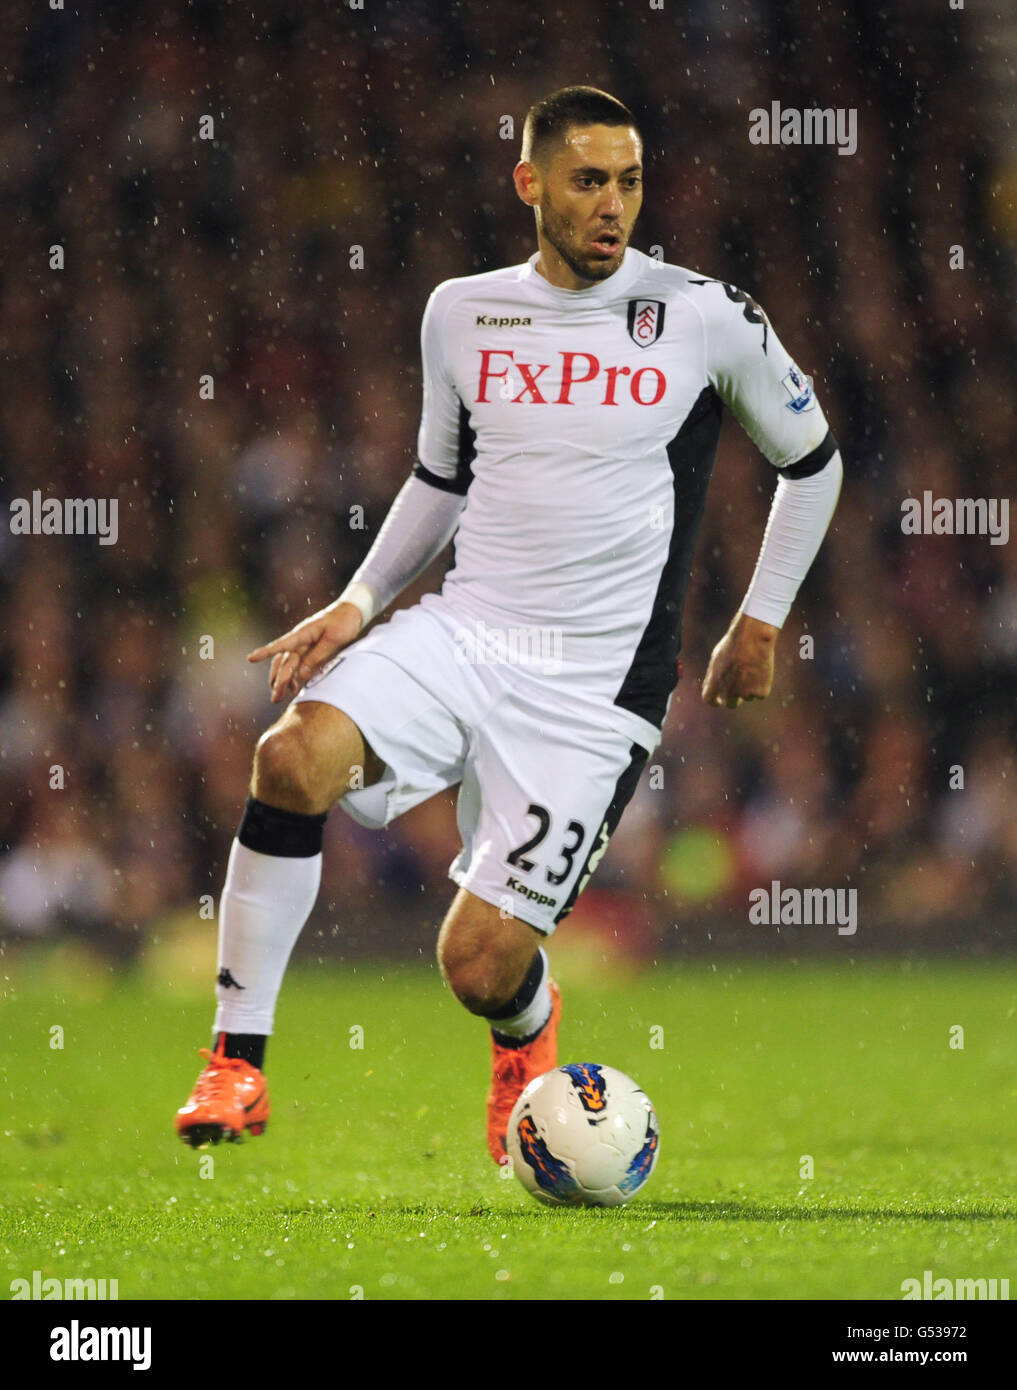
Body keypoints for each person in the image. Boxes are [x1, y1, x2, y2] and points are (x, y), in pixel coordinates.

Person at [175, 85, 842, 1164]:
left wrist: (759, 620)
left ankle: (525, 1037)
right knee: (291, 758)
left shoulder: (703, 313)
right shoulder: (461, 311)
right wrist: (357, 604)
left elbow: (813, 465)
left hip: (595, 688)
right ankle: (236, 1063)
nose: (612, 203)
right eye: (588, 180)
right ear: (530, 184)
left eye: (628, 181)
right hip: (469, 630)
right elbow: (441, 477)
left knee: (477, 962)